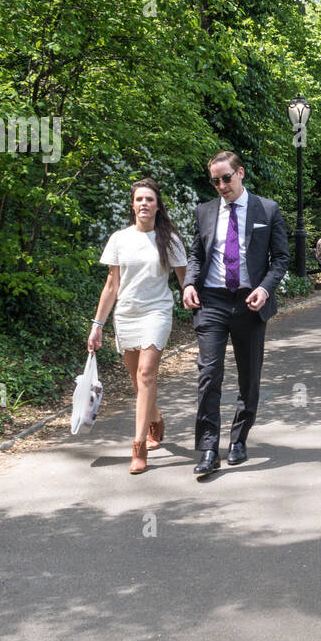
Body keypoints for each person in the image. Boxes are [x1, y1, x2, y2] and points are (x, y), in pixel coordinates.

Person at [182, 151, 290, 478]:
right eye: (215, 181)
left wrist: (265, 288)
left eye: (226, 178)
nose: (221, 186)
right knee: (209, 374)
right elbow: (197, 256)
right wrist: (189, 283)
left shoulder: (267, 210)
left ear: (240, 173)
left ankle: (239, 439)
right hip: (212, 301)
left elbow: (281, 258)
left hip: (249, 301)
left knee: (249, 375)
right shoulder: (203, 212)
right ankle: (208, 448)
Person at [89, 179, 188, 474]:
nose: (144, 203)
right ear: (132, 205)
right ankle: (156, 419)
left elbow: (186, 281)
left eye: (150, 199)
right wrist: (97, 325)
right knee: (136, 381)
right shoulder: (119, 239)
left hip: (157, 312)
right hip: (126, 316)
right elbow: (111, 285)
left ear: (158, 205)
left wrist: (199, 309)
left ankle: (139, 447)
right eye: (139, 199)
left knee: (147, 373)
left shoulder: (169, 239)